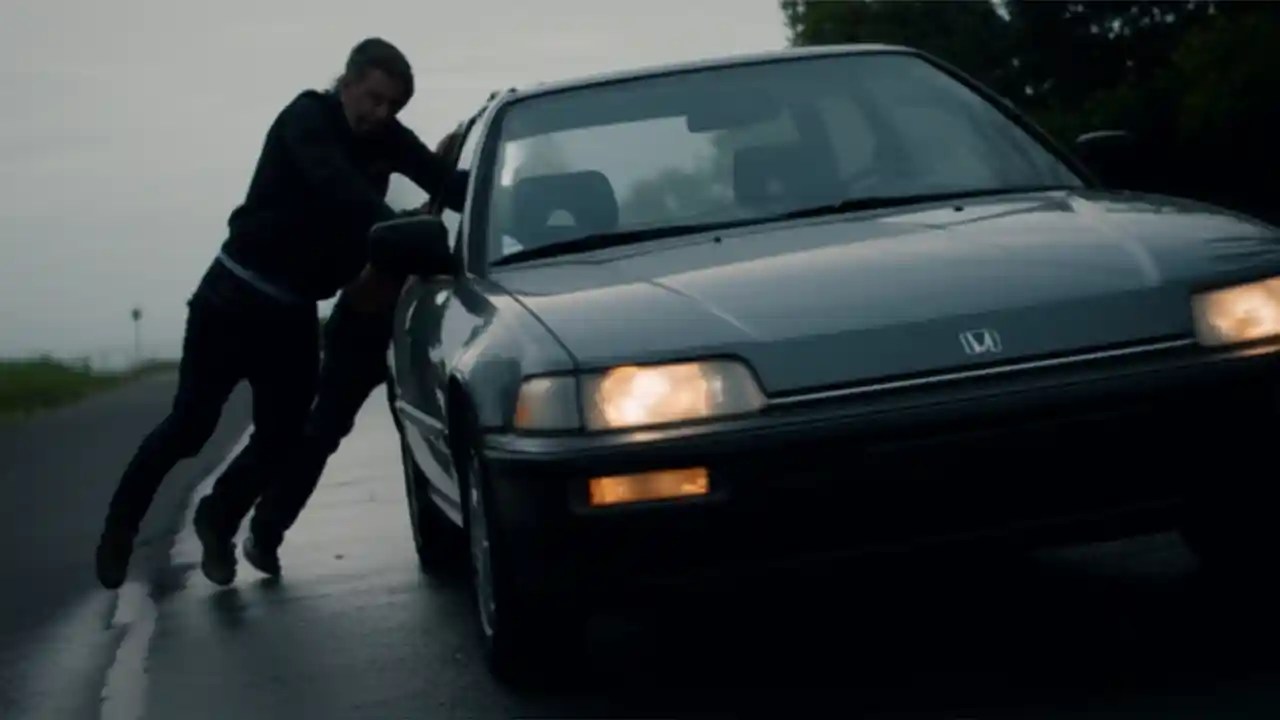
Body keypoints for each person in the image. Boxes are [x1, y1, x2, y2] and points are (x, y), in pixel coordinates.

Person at [94, 37, 468, 590]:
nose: (380, 113)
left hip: (292, 314)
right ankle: (119, 531)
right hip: (233, 298)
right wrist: (400, 235)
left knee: (285, 437)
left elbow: (444, 182)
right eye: (373, 98)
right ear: (347, 81)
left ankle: (219, 518)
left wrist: (516, 198)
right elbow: (338, 189)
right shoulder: (306, 119)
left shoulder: (387, 138)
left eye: (393, 106)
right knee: (190, 427)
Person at [238, 130, 464, 576]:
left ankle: (442, 526)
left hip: (419, 325)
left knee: (414, 429)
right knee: (321, 428)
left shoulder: (474, 213)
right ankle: (263, 529)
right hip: (365, 326)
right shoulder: (408, 222)